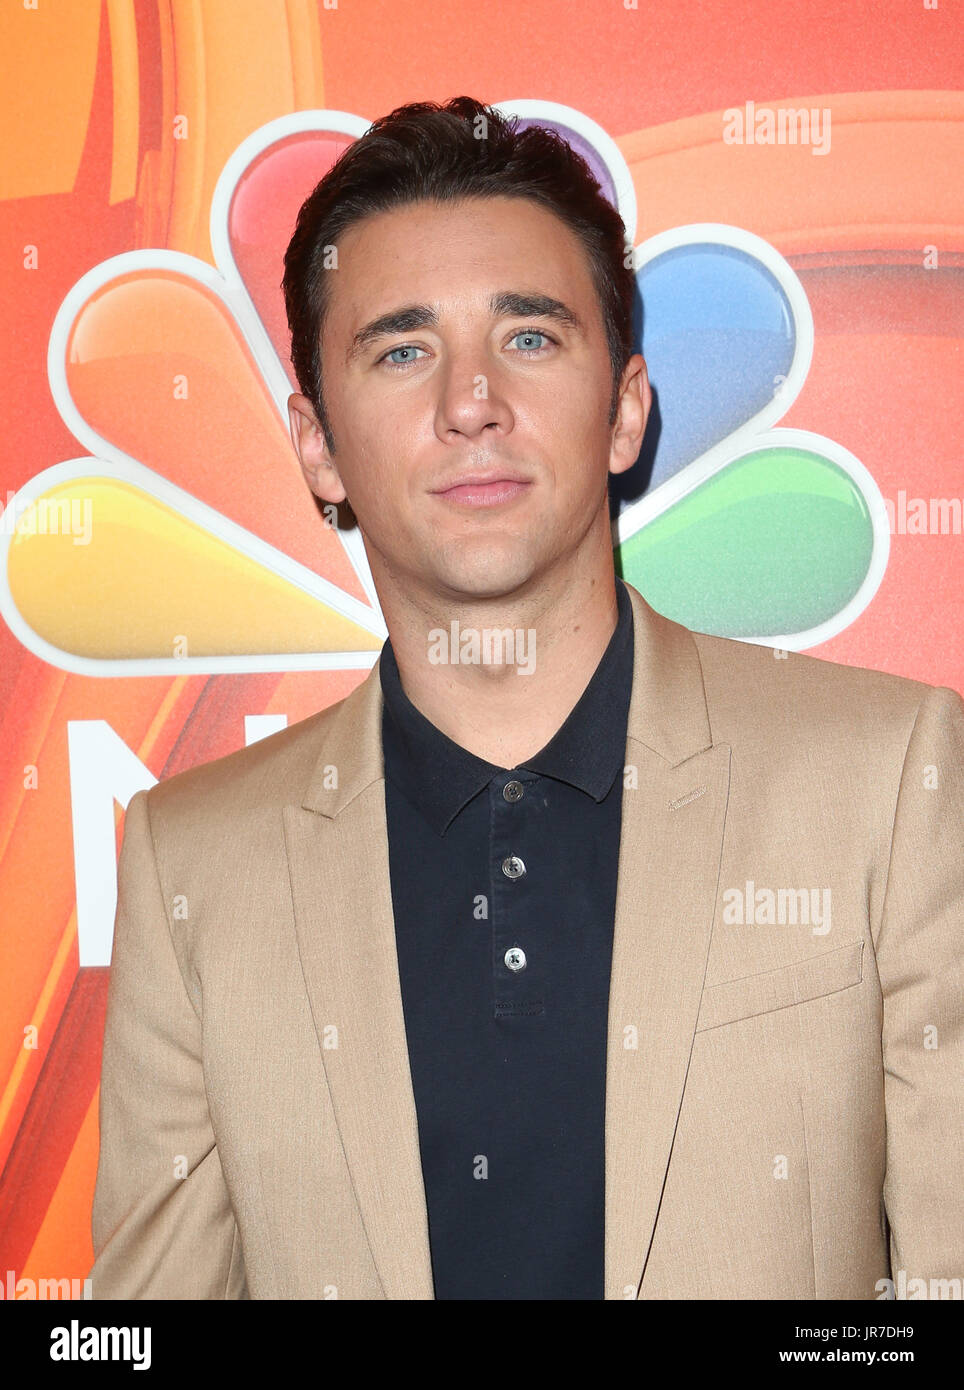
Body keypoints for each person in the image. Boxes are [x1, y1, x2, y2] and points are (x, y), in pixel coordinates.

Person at [89, 97, 964, 1300]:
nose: (470, 402)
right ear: (317, 446)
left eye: (531, 338)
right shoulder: (195, 864)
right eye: (401, 350)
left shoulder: (889, 778)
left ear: (625, 408)